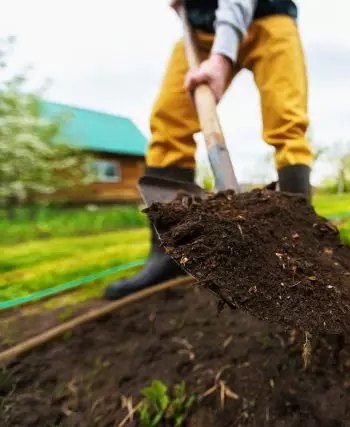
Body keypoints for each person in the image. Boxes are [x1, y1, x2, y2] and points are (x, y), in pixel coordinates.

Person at [104, 0, 313, 300]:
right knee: (168, 125)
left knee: (287, 123)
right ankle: (171, 254)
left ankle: (301, 246)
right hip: (202, 30)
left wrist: (222, 57)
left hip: (269, 15)